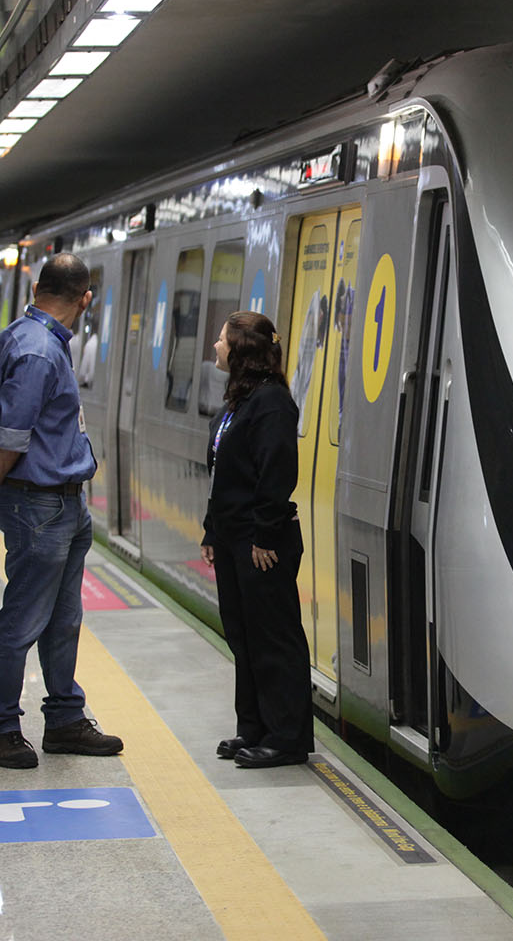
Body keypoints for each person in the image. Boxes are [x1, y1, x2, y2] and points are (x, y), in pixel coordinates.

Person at [0, 253, 123, 768]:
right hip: (39, 503)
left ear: (39, 288)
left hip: (62, 502)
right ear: (85, 299)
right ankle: (0, 728)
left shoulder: (30, 337)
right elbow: (11, 433)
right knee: (23, 619)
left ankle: (64, 718)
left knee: (63, 618)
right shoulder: (40, 350)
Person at [201, 311, 312, 769]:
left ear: (241, 349)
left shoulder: (272, 403)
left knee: (273, 638)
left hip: (262, 542)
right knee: (243, 636)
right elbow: (224, 473)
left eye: (222, 340)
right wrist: (212, 529)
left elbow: (277, 471)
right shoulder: (240, 400)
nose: (215, 346)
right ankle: (253, 728)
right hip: (233, 538)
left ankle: (286, 738)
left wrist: (265, 533)